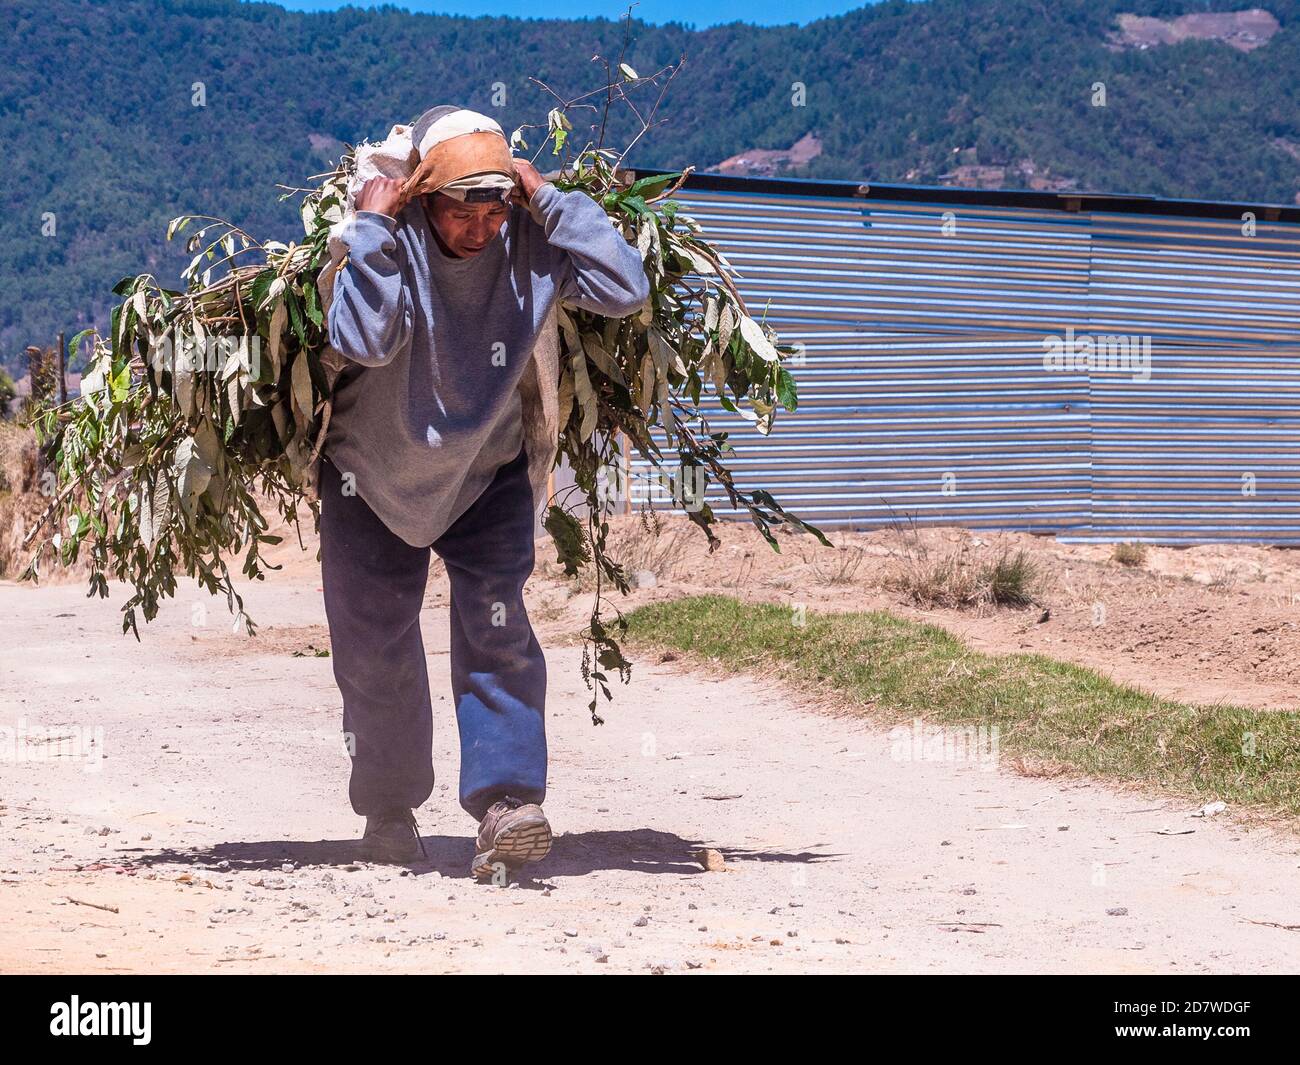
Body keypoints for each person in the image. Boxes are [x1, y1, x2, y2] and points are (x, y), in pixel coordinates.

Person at [321, 105, 650, 879]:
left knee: (497, 630)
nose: (479, 228)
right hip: (371, 476)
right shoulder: (386, 242)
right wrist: (369, 229)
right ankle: (389, 808)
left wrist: (547, 196)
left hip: (487, 472)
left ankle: (506, 805)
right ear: (421, 198)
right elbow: (361, 340)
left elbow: (625, 286)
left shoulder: (531, 243)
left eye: (493, 207)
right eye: (460, 210)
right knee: (374, 646)